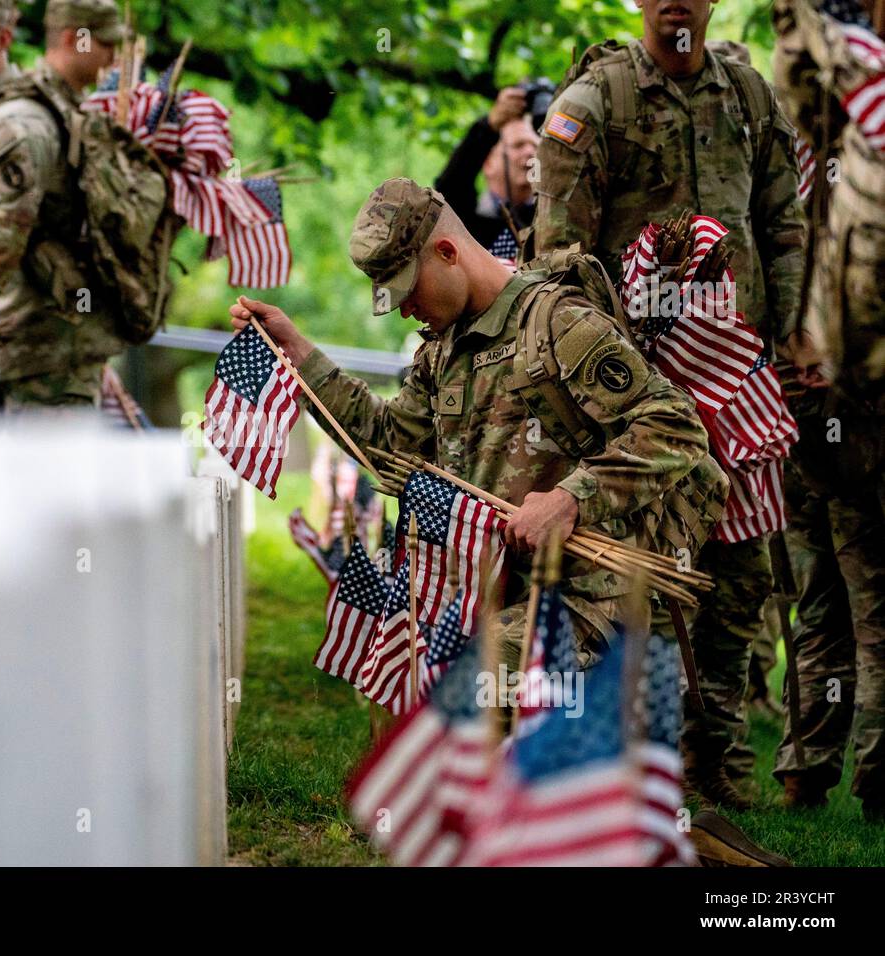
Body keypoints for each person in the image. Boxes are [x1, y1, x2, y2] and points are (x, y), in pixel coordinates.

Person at [229, 177, 718, 665]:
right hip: (493, 589)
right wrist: (299, 354)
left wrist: (570, 500)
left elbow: (675, 426)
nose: (405, 311)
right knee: (417, 677)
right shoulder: (442, 350)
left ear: (447, 252)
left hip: (585, 591)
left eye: (408, 290)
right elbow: (387, 445)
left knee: (475, 684)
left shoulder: (558, 323)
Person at [533, 0, 810, 811]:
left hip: (738, 381)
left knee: (740, 573)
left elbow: (784, 222)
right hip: (637, 391)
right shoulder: (596, 102)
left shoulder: (750, 98)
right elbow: (559, 257)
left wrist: (787, 337)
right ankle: (631, 763)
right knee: (635, 576)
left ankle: (716, 760)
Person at [769, 0, 885, 821]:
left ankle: (823, 772)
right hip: (814, 410)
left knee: (840, 602)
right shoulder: (824, 152)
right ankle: (838, 777)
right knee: (848, 603)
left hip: (838, 405)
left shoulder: (803, 150)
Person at [0, 0, 127, 413]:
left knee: (42, 477)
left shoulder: (19, 124)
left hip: (43, 361)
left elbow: (0, 241)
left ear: (3, 38)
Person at [432, 87, 540, 262]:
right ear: (488, 163)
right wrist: (488, 126)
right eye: (518, 145)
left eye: (535, 146)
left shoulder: (547, 219)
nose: (530, 152)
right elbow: (451, 185)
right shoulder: (467, 221)